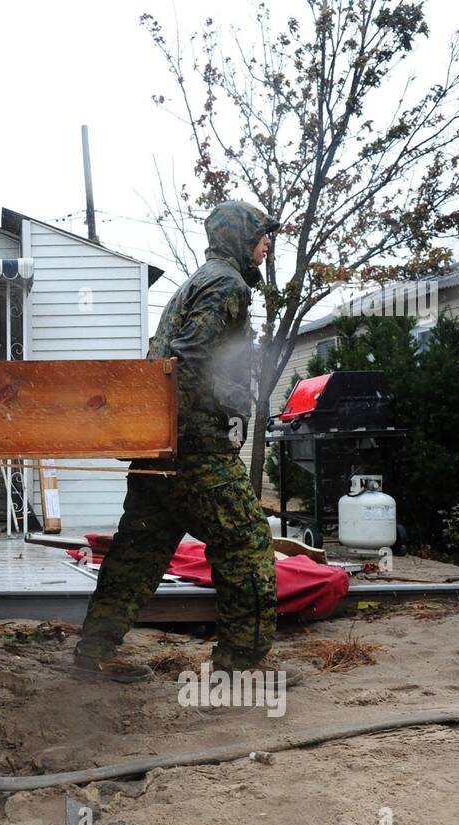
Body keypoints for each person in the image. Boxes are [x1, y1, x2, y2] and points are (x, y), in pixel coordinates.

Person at [74, 200, 281, 683]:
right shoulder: (225, 284)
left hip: (163, 442)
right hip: (193, 446)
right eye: (260, 233)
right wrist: (191, 435)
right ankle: (239, 668)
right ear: (238, 236)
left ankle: (94, 654)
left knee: (139, 551)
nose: (267, 243)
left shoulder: (200, 280)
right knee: (246, 545)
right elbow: (188, 361)